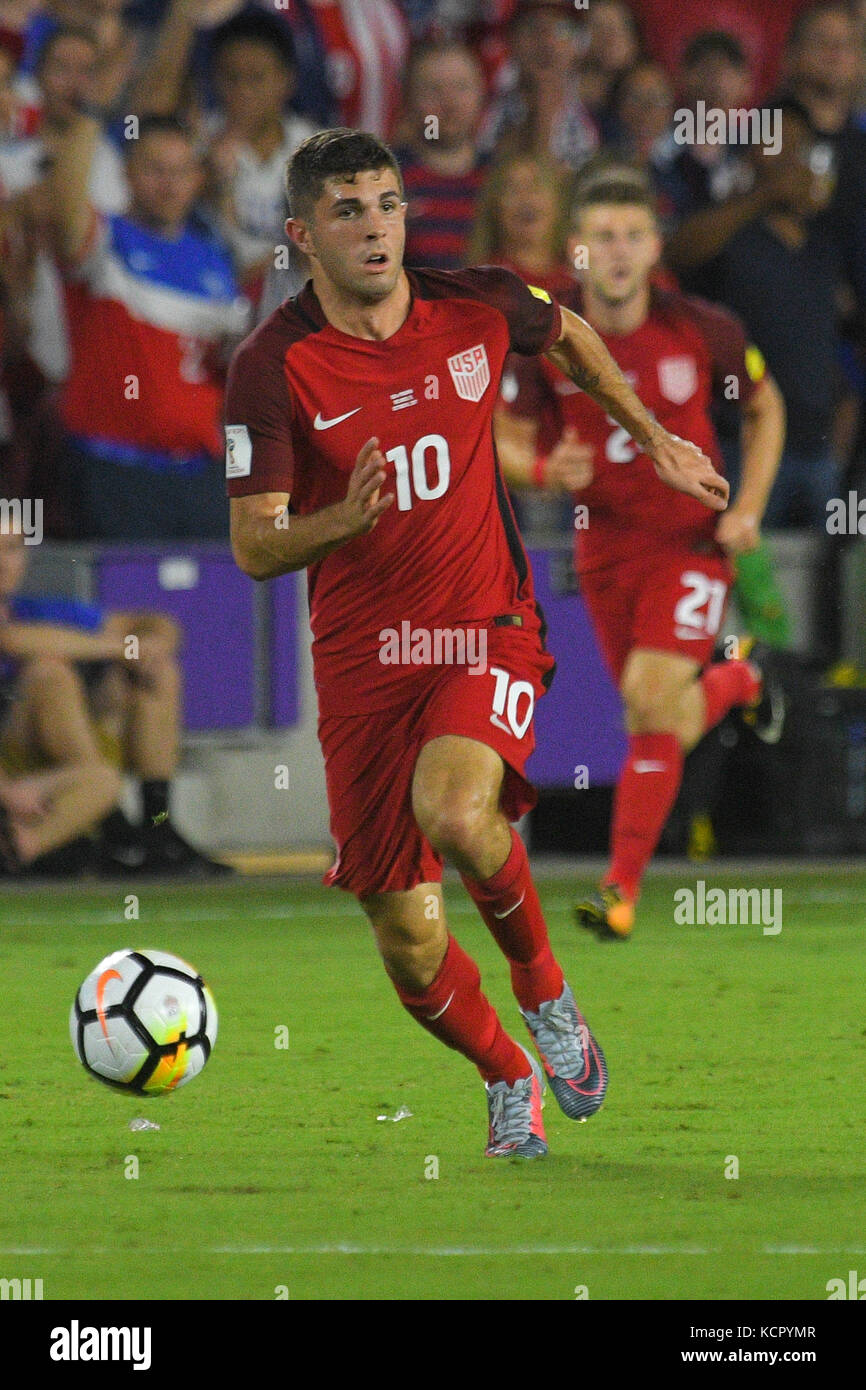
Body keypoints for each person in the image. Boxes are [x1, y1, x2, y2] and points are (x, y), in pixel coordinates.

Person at [225, 127, 728, 1156]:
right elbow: (253, 545)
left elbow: (573, 337)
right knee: (404, 936)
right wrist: (337, 523)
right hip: (361, 659)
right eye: (347, 211)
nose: (374, 227)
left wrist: (649, 433)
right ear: (302, 236)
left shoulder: (478, 302)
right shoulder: (270, 366)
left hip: (479, 623)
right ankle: (507, 1073)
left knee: (456, 811)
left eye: (387, 203)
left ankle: (546, 997)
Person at [494, 171, 785, 939]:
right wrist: (541, 471)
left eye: (633, 235)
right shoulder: (546, 337)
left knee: (649, 701)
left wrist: (747, 509)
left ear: (655, 248)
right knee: (660, 716)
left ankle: (620, 893)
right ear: (577, 251)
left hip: (690, 541)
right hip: (604, 551)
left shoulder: (702, 328)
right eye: (603, 238)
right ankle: (739, 677)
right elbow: (506, 435)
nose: (618, 253)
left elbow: (765, 406)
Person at [47, 111, 249, 541]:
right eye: (155, 169)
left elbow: (232, 373)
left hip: (200, 474)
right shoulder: (105, 239)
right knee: (127, 607)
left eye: (181, 171)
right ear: (127, 173)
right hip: (111, 468)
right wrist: (87, 117)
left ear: (197, 178)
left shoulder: (214, 259)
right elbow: (65, 219)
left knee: (209, 605)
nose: (169, 183)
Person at [0, 526, 231, 876]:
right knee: (50, 674)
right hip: (14, 767)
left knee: (156, 673)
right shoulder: (21, 627)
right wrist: (122, 647)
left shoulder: (36, 608)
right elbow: (12, 640)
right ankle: (105, 824)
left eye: (13, 549)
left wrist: (151, 647)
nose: (4, 562)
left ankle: (157, 827)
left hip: (63, 771)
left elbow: (156, 622)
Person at [395, 38, 489, 271]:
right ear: (407, 99)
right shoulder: (387, 179)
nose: (450, 104)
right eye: (433, 90)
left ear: (482, 93)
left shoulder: (502, 178)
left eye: (461, 87)